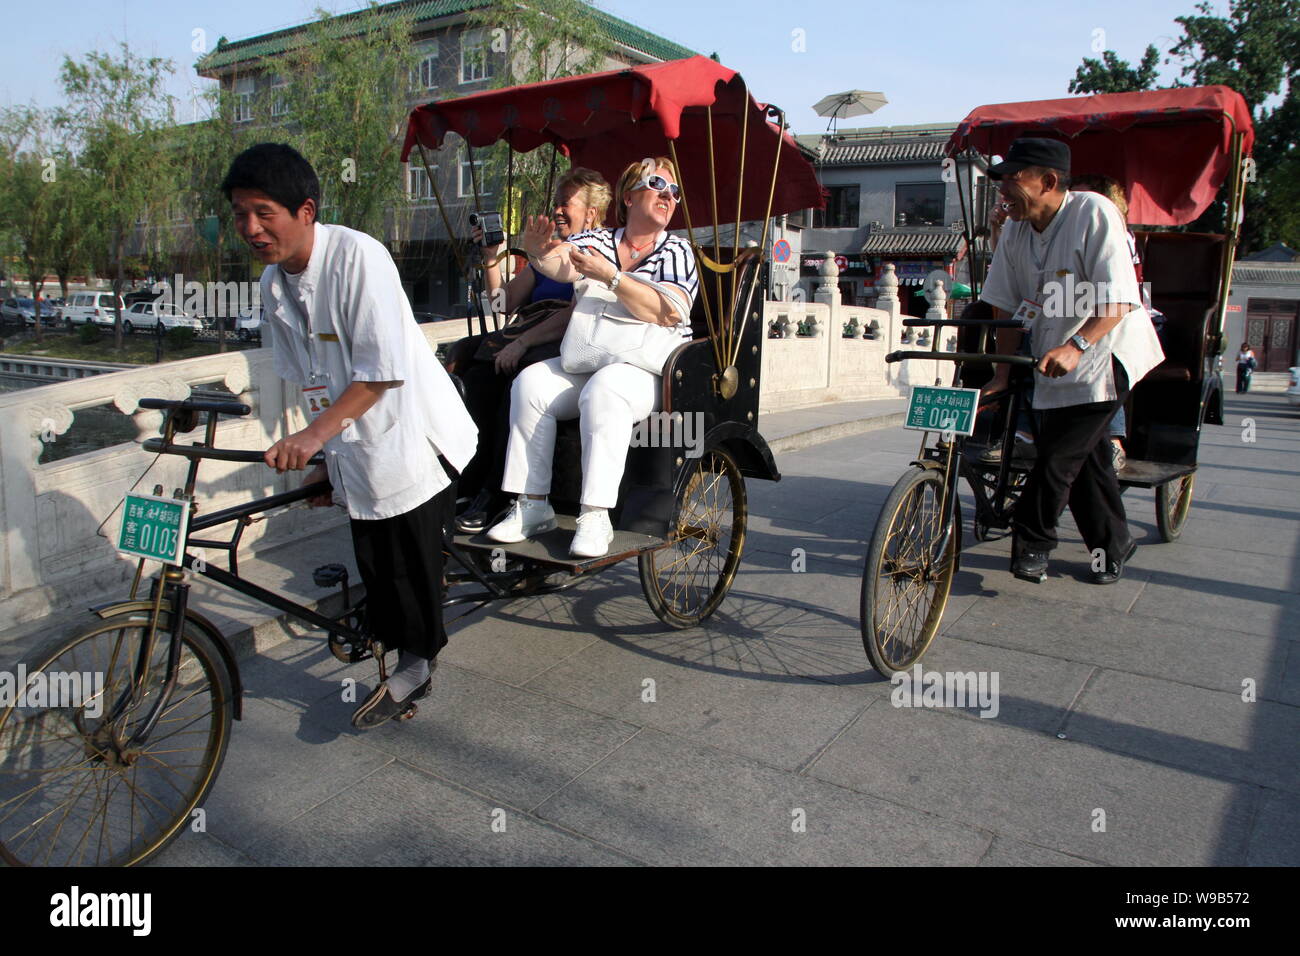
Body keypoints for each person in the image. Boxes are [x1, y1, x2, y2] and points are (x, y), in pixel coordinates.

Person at [222, 143, 477, 729]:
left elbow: (382, 372)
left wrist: (313, 439)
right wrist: (320, 461)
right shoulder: (273, 284)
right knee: (377, 561)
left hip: (412, 435)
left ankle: (417, 667)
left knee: (410, 565)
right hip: (353, 441)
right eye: (240, 214)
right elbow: (306, 378)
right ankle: (397, 649)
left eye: (264, 213)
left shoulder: (359, 257)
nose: (251, 228)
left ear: (305, 210)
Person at [486, 157, 698, 557]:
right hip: (590, 356)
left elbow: (666, 311)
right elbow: (563, 262)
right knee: (530, 384)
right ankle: (531, 504)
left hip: (645, 368)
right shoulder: (600, 241)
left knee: (606, 390)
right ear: (630, 195)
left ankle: (595, 514)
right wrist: (537, 252)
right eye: (659, 185)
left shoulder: (678, 251)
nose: (669, 196)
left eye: (675, 192)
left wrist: (613, 279)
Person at [979, 138, 1164, 585]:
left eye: (1013, 178)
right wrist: (1002, 373)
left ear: (1049, 181)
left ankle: (1033, 541)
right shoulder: (1016, 232)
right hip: (1054, 356)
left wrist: (1076, 346)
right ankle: (1113, 546)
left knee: (1059, 456)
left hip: (1107, 353)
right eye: (1001, 179)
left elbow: (1121, 299)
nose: (1003, 189)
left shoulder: (1093, 212)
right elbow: (1004, 305)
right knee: (1088, 460)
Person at [451, 168, 613, 534]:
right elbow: (502, 303)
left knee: (518, 385)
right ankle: (467, 482)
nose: (557, 211)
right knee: (475, 378)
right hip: (528, 335)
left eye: (565, 204)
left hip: (569, 342)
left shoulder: (599, 251)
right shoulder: (549, 253)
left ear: (590, 212)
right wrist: (492, 257)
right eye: (555, 203)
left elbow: (577, 312)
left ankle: (498, 493)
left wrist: (524, 342)